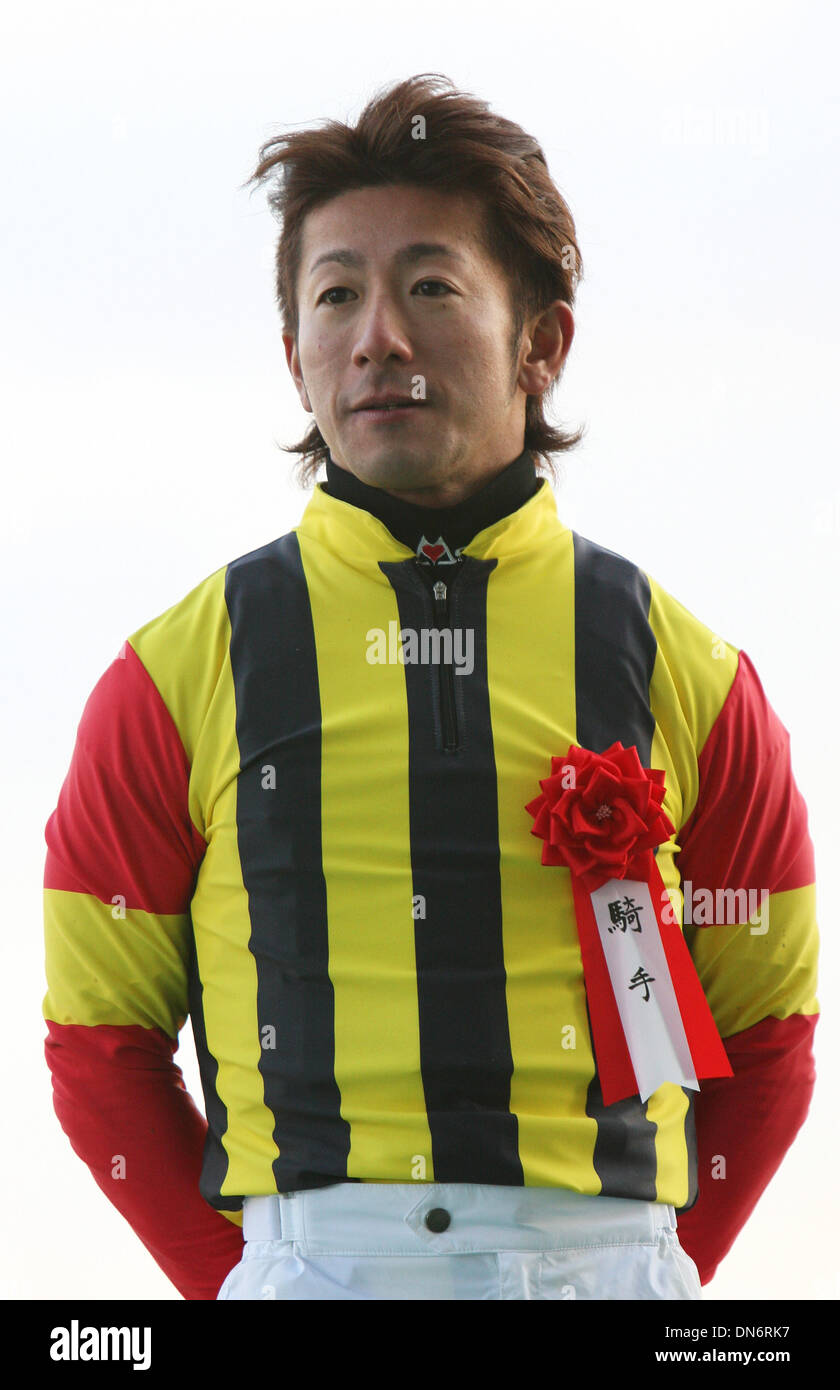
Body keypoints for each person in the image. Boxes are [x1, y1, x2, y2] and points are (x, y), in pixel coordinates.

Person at [42, 73, 819, 1302]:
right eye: (337, 293)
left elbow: (770, 1039)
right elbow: (97, 1047)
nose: (377, 337)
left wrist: (653, 1271)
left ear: (544, 340)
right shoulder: (165, 675)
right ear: (295, 358)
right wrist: (243, 1279)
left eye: (430, 287)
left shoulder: (698, 673)